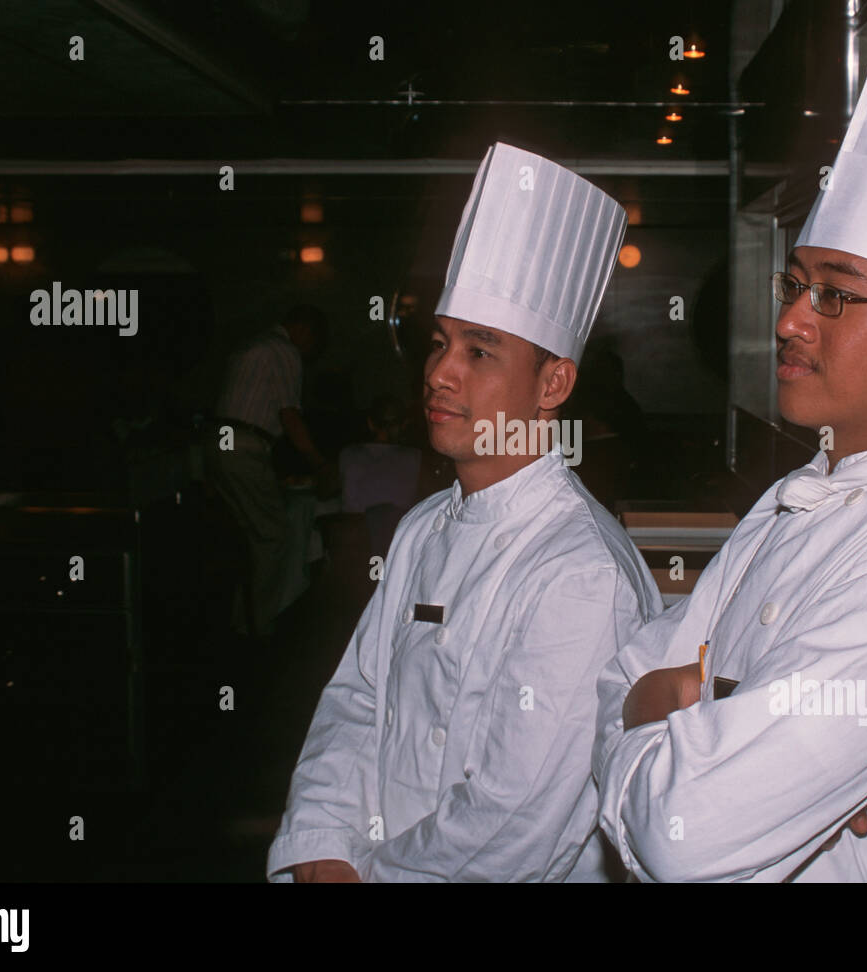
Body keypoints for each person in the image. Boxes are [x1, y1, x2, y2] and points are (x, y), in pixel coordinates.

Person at [594, 0, 867, 881]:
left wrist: (667, 717)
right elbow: (626, 677)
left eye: (836, 293)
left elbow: (685, 834)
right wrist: (662, 710)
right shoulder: (809, 484)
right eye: (795, 283)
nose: (788, 319)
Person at [267, 142, 661, 882]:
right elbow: (358, 702)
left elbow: (512, 829)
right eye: (442, 342)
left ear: (554, 383)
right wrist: (321, 843)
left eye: (481, 352)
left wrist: (369, 874)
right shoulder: (422, 528)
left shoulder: (581, 574)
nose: (439, 371)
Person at [207, 305, 326, 638]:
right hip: (242, 445)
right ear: (304, 330)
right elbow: (289, 415)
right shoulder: (283, 349)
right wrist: (319, 462)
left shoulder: (253, 344)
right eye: (312, 342)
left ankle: (241, 621)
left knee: (251, 536)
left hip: (219, 441)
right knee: (274, 535)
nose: (310, 351)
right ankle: (262, 626)